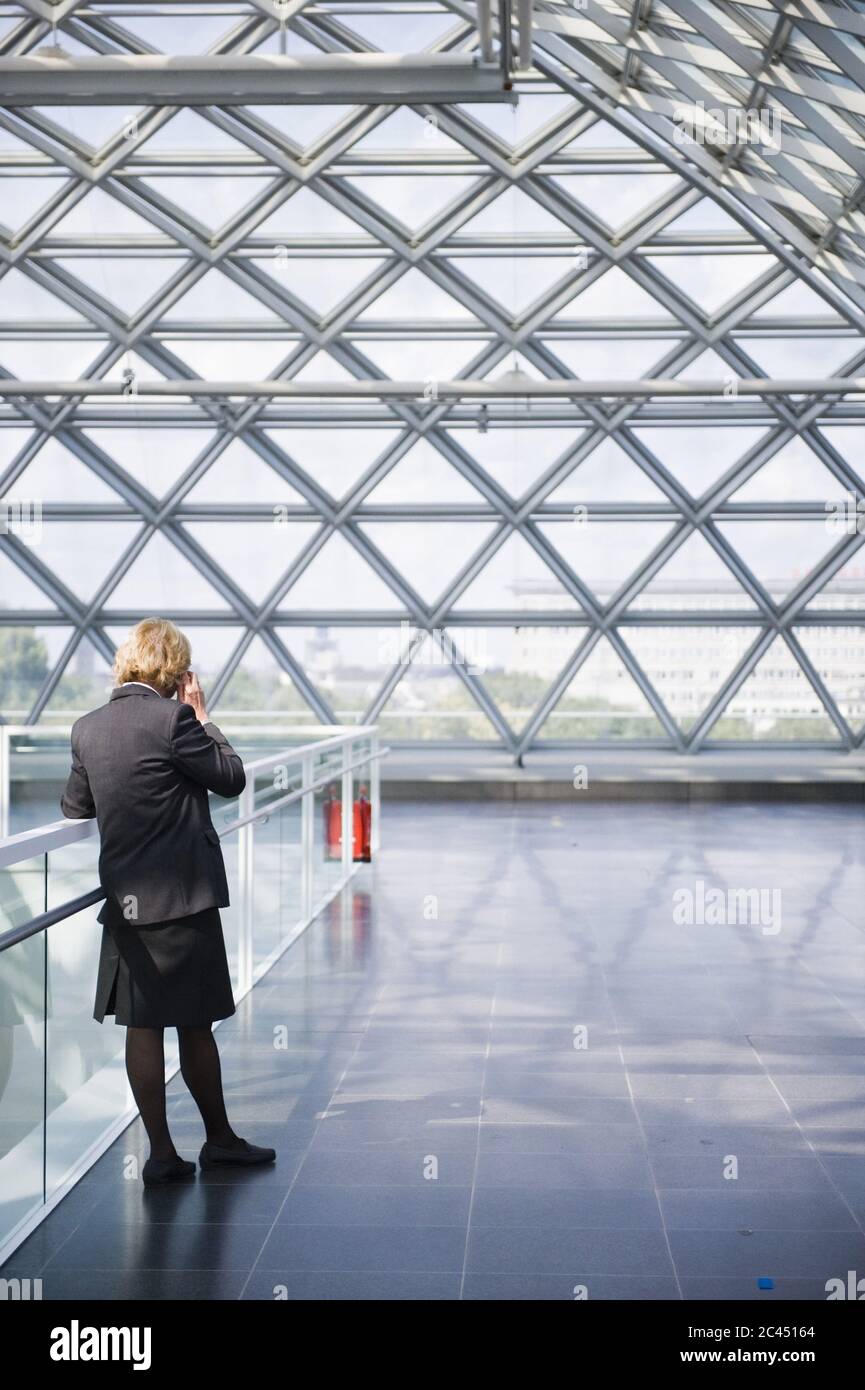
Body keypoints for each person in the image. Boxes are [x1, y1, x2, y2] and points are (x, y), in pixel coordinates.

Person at [60, 617, 276, 1186]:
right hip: (183, 900)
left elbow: (74, 808)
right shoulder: (176, 719)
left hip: (126, 903)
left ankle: (160, 1154)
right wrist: (205, 717)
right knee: (195, 1026)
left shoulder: (87, 728)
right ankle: (219, 1140)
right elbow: (230, 778)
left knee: (142, 1027)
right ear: (176, 672)